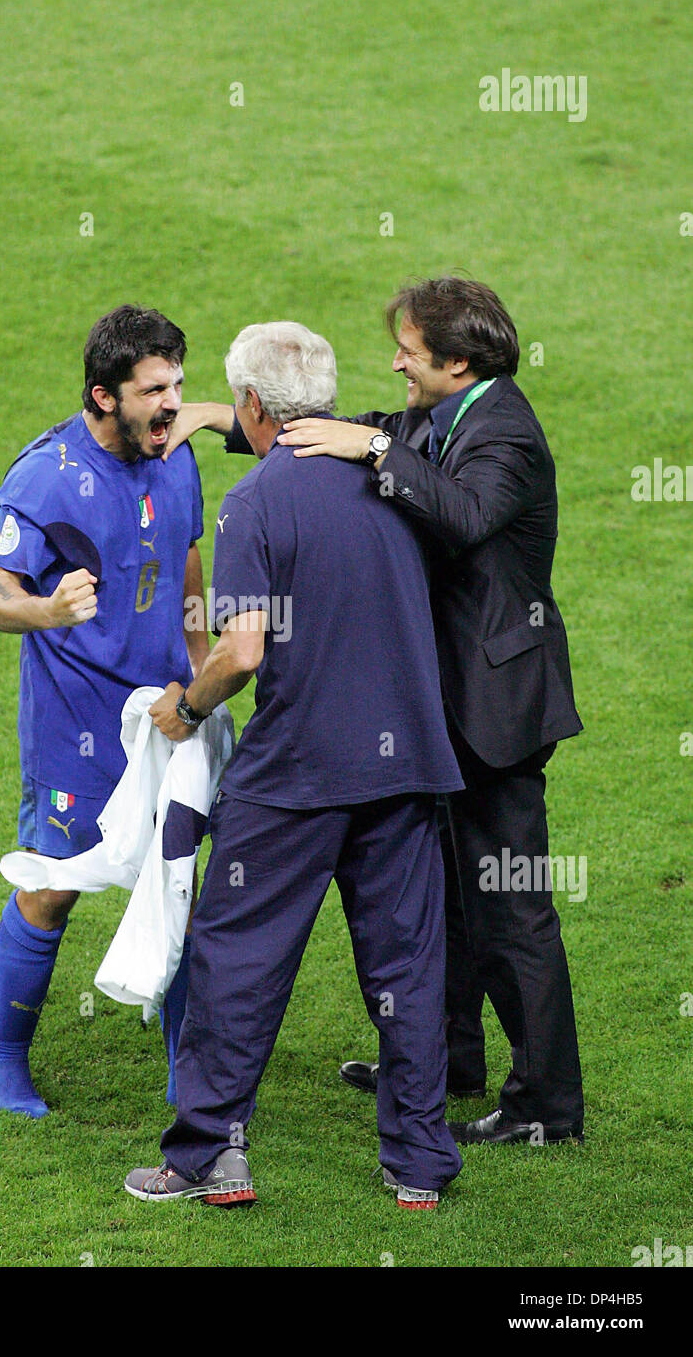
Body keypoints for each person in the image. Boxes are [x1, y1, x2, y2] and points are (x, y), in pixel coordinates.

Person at [164, 276, 584, 1147]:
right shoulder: (443, 412)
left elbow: (461, 515)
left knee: (510, 910)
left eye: (408, 350)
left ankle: (547, 1103)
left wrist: (376, 455)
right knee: (446, 901)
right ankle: (446, 1063)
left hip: (495, 711)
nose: (394, 359)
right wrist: (225, 417)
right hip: (436, 705)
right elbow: (340, 440)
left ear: (457, 361)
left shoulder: (504, 430)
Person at [124, 322, 464, 1210]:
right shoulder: (394, 478)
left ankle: (206, 1157)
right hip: (408, 764)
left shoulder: (255, 504)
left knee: (238, 957)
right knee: (406, 969)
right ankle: (418, 1166)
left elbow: (241, 654)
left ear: (248, 406)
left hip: (297, 774)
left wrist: (185, 709)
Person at [0, 304, 209, 1118]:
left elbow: (185, 567)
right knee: (53, 890)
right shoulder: (46, 475)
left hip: (170, 718)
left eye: (178, 382)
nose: (173, 403)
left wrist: (203, 673)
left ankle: (191, 1080)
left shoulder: (174, 454)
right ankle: (7, 1056)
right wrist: (48, 611)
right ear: (104, 396)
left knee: (175, 887)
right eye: (154, 389)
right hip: (73, 726)